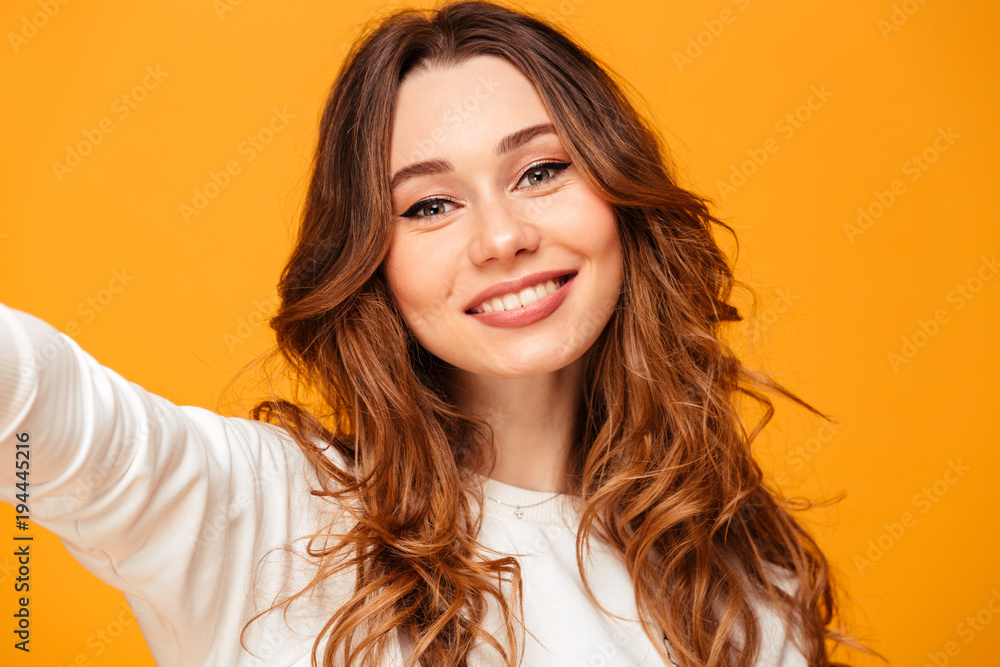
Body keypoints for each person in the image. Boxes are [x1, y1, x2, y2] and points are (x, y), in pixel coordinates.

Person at [0, 1, 859, 665]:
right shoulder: (257, 514)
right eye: (430, 205)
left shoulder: (746, 587)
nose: (501, 236)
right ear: (372, 260)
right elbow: (47, 402)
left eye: (542, 168)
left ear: (619, 195)